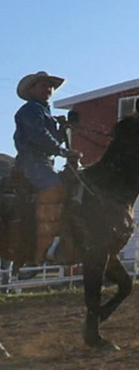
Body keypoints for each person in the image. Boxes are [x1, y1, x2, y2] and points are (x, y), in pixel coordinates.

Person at [12, 71, 76, 261]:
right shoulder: (30, 110)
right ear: (32, 89)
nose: (48, 89)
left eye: (50, 86)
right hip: (31, 161)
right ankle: (46, 242)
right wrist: (63, 151)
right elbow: (38, 136)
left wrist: (61, 131)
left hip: (44, 161)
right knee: (55, 188)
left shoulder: (44, 112)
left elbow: (47, 138)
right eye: (43, 85)